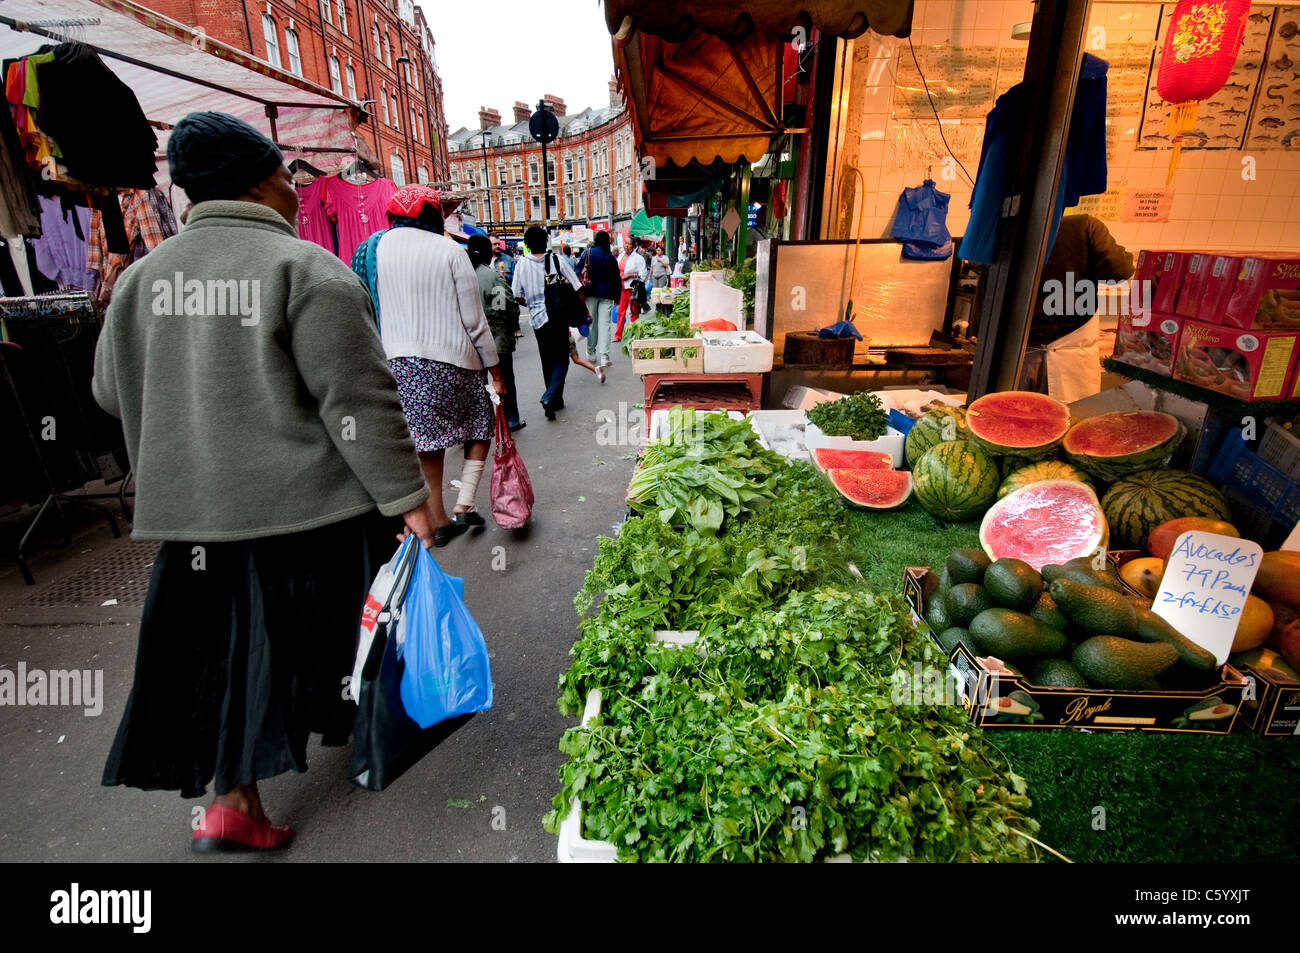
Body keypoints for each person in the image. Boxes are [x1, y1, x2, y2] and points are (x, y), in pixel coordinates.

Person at [92, 111, 442, 853]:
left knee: (225, 653)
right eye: (288, 175)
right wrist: (410, 499)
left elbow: (109, 394)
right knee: (335, 635)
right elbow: (358, 400)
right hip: (306, 515)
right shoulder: (307, 270)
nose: (294, 190)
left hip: (191, 521)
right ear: (258, 182)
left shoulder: (140, 282)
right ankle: (367, 737)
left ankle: (233, 801)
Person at [351, 185, 506, 541]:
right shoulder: (451, 250)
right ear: (434, 215)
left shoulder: (374, 248)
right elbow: (474, 322)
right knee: (481, 425)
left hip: (398, 364)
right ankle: (461, 505)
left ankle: (434, 519)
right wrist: (496, 372)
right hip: (453, 361)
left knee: (427, 444)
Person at [1020, 213, 1134, 400]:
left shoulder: (1005, 224)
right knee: (1070, 419)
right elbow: (1118, 270)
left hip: (1019, 351)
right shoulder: (1084, 225)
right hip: (1070, 353)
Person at [513, 224, 581, 420]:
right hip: (558, 316)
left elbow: (516, 294)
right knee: (562, 360)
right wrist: (584, 311)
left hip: (537, 320)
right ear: (545, 242)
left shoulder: (521, 265)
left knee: (547, 361)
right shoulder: (557, 259)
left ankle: (553, 402)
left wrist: (532, 303)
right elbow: (576, 285)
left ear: (527, 245)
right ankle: (551, 396)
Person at [468, 233, 525, 431]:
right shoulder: (491, 276)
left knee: (476, 386)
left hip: (469, 342)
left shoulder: (462, 273)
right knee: (505, 379)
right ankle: (511, 419)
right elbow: (504, 307)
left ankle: (480, 424)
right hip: (496, 339)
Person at [578, 229, 621, 371]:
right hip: (607, 295)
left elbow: (578, 270)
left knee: (591, 323)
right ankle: (605, 357)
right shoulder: (610, 257)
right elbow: (616, 279)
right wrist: (617, 296)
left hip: (589, 293)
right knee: (605, 325)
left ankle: (591, 352)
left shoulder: (588, 253)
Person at [615, 237, 648, 341]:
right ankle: (618, 335)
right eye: (625, 243)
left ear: (634, 246)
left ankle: (635, 334)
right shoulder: (620, 256)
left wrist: (630, 275)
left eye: (629, 244)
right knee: (620, 311)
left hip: (632, 288)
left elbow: (643, 274)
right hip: (621, 287)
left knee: (634, 312)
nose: (626, 246)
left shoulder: (638, 258)